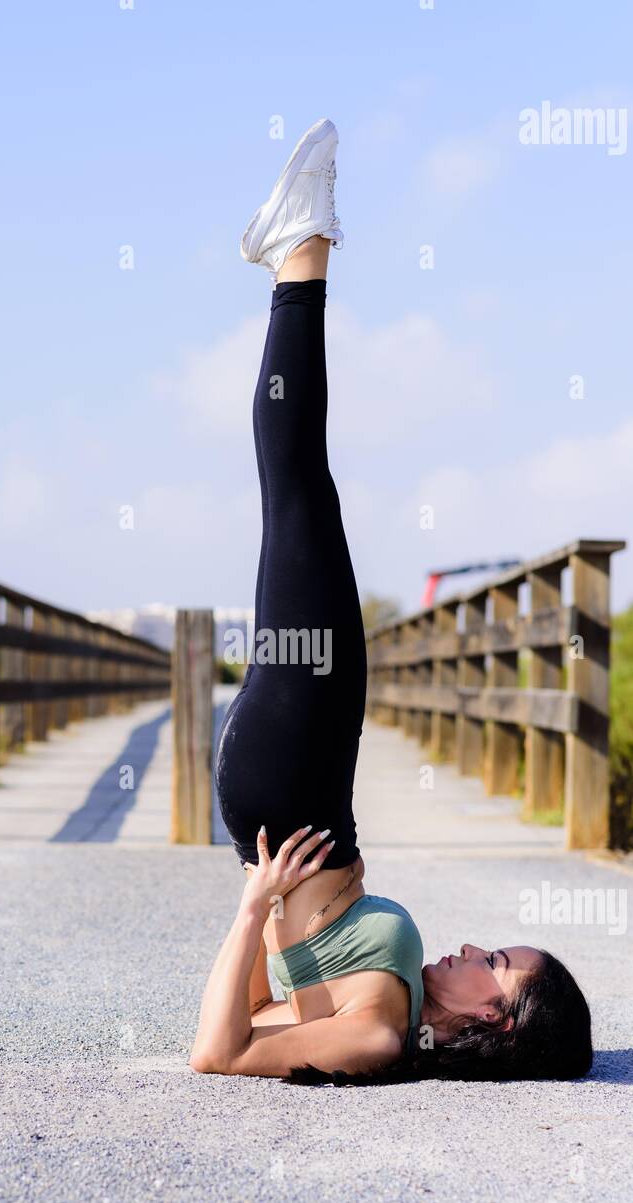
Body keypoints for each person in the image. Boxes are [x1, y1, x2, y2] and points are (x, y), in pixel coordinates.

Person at [190, 119, 593, 1085]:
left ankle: (301, 246)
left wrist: (255, 905)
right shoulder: (386, 1010)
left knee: (299, 494)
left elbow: (219, 1051)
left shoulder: (377, 1034)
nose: (471, 949)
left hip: (291, 774)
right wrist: (262, 911)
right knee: (298, 498)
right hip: (290, 776)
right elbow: (256, 1011)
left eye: (495, 964)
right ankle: (295, 249)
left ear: (497, 1023)